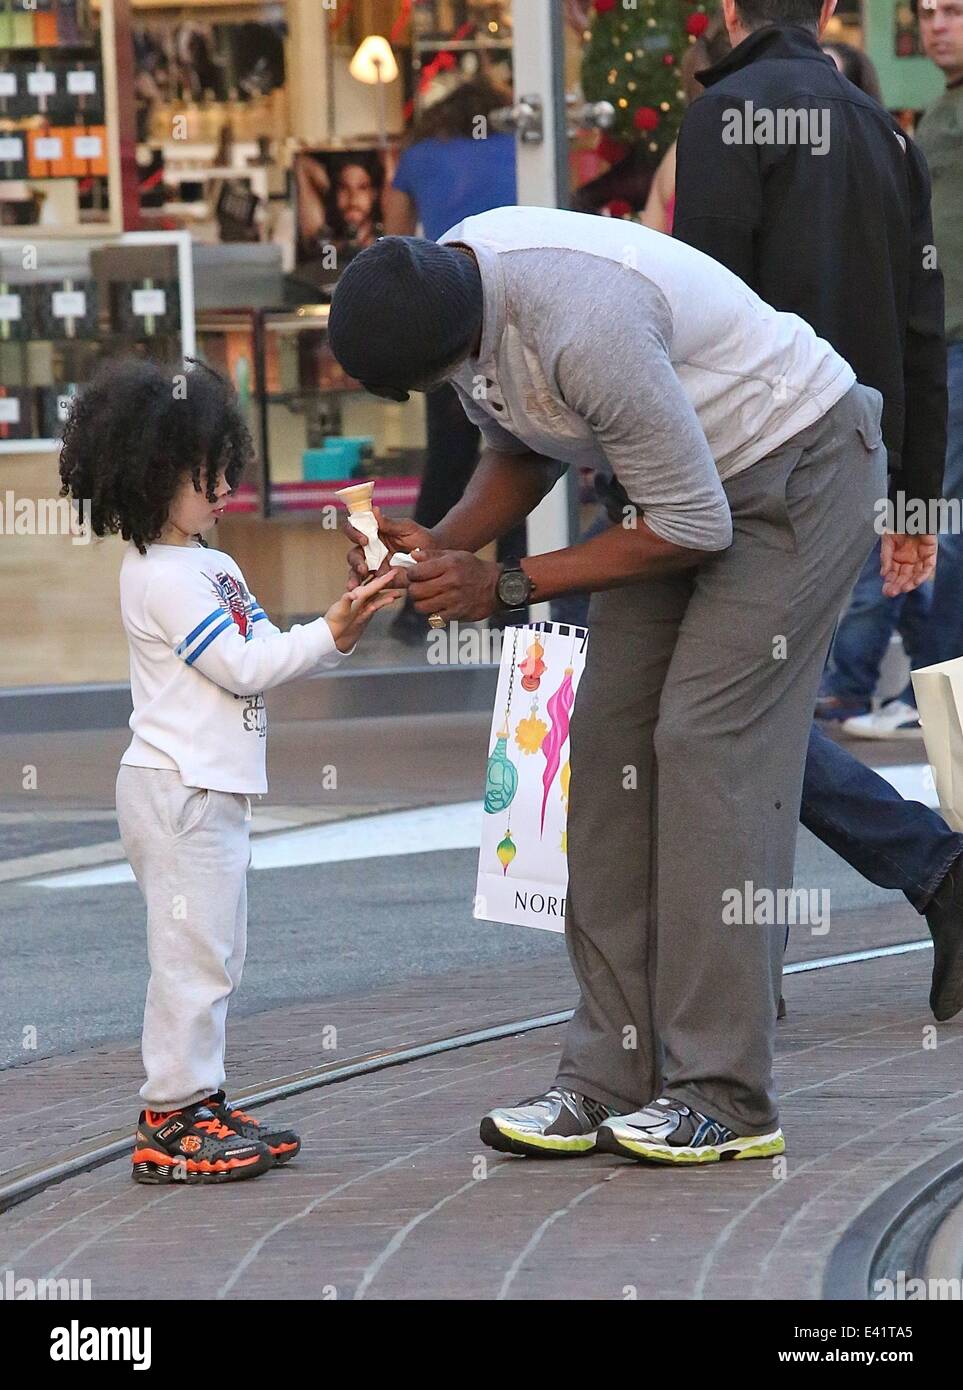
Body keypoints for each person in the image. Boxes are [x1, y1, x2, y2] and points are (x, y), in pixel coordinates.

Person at [327, 209, 886, 1165]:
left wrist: (503, 584)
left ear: (448, 343)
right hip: (672, 487)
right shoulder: (451, 285)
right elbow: (524, 444)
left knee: (706, 747)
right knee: (611, 752)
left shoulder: (585, 323)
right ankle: (605, 1077)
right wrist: (447, 542)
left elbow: (698, 528)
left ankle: (724, 1096)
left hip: (796, 470)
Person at [673, 0, 963, 1020]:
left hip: (747, 472)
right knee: (755, 708)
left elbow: (696, 319)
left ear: (725, 10)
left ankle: (920, 876)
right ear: (833, 10)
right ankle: (770, 964)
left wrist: (662, 486)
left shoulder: (722, 118)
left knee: (727, 714)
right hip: (859, 463)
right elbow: (924, 334)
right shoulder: (888, 137)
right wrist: (916, 503)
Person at [58, 359, 400, 1185]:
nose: (222, 484)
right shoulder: (158, 577)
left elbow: (260, 650)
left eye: (222, 464)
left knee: (217, 951)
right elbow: (247, 666)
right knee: (192, 956)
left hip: (208, 787)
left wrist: (338, 622)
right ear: (146, 476)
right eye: (201, 472)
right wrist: (334, 628)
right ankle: (169, 1120)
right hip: (178, 789)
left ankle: (199, 1101)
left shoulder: (208, 563)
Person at [383, 74, 523, 643]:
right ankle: (514, 605)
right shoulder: (523, 144)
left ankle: (421, 607)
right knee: (532, 453)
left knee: (447, 462)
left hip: (447, 315)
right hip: (517, 310)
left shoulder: (418, 156)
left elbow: (393, 245)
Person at [909, 0, 963, 677]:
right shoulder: (935, 110)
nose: (935, 25)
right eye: (926, 13)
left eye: (952, 11)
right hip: (936, 342)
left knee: (942, 525)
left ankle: (941, 680)